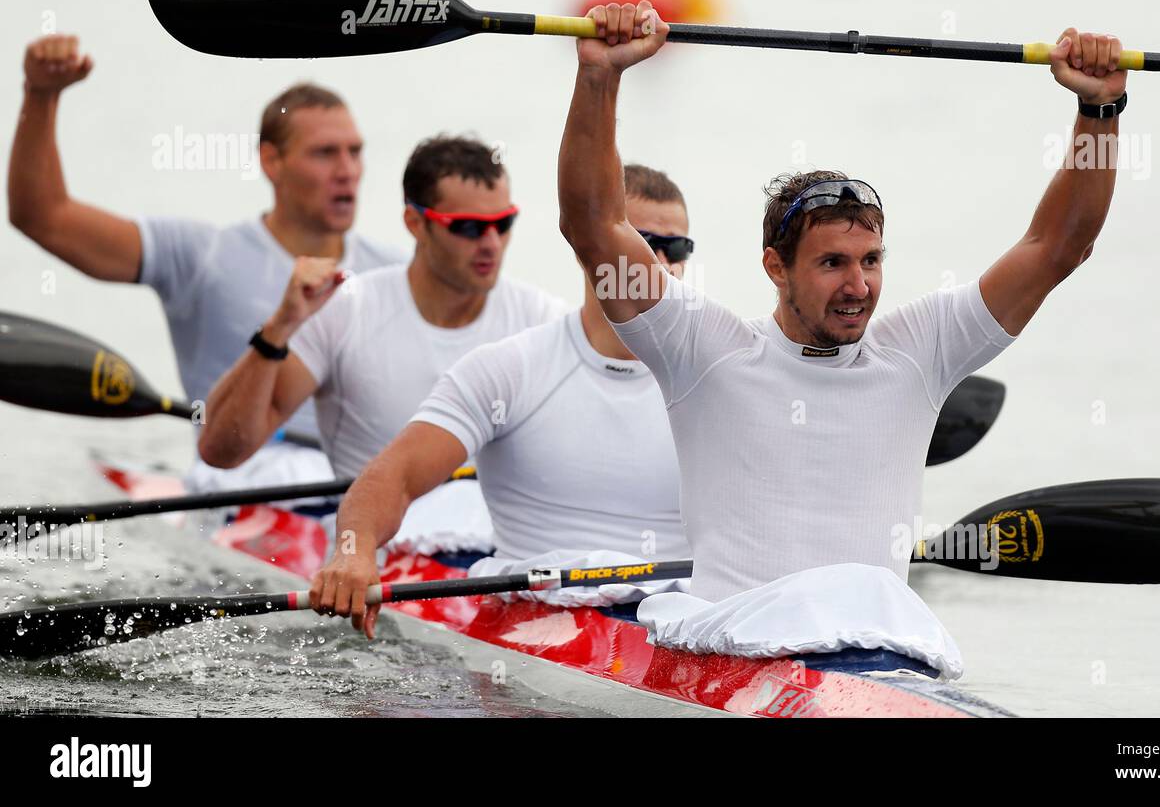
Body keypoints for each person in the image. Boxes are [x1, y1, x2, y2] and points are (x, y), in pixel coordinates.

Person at [555, 1, 1126, 675]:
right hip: (732, 656)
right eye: (832, 263)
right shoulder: (701, 349)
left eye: (872, 261)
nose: (858, 285)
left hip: (876, 661)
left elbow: (1059, 245)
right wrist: (600, 77)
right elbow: (592, 226)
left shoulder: (920, 351)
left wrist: (1100, 111)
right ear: (775, 267)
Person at [306, 164, 694, 637]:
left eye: (674, 249)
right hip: (542, 620)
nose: (660, 264)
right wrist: (354, 549)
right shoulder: (510, 369)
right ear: (588, 249)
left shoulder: (715, 374)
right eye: (641, 243)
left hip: (681, 620)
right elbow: (395, 477)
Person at [7, 34, 403, 492]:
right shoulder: (201, 256)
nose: (347, 169)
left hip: (367, 474)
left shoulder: (395, 271)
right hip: (250, 472)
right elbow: (43, 216)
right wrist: (42, 95)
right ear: (271, 161)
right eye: (324, 153)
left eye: (355, 151)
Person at [198, 135, 567, 553]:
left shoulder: (540, 318)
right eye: (468, 227)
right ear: (415, 223)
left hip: (501, 554)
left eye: (504, 223)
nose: (491, 243)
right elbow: (220, 451)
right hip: (386, 551)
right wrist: (280, 328)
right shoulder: (347, 312)